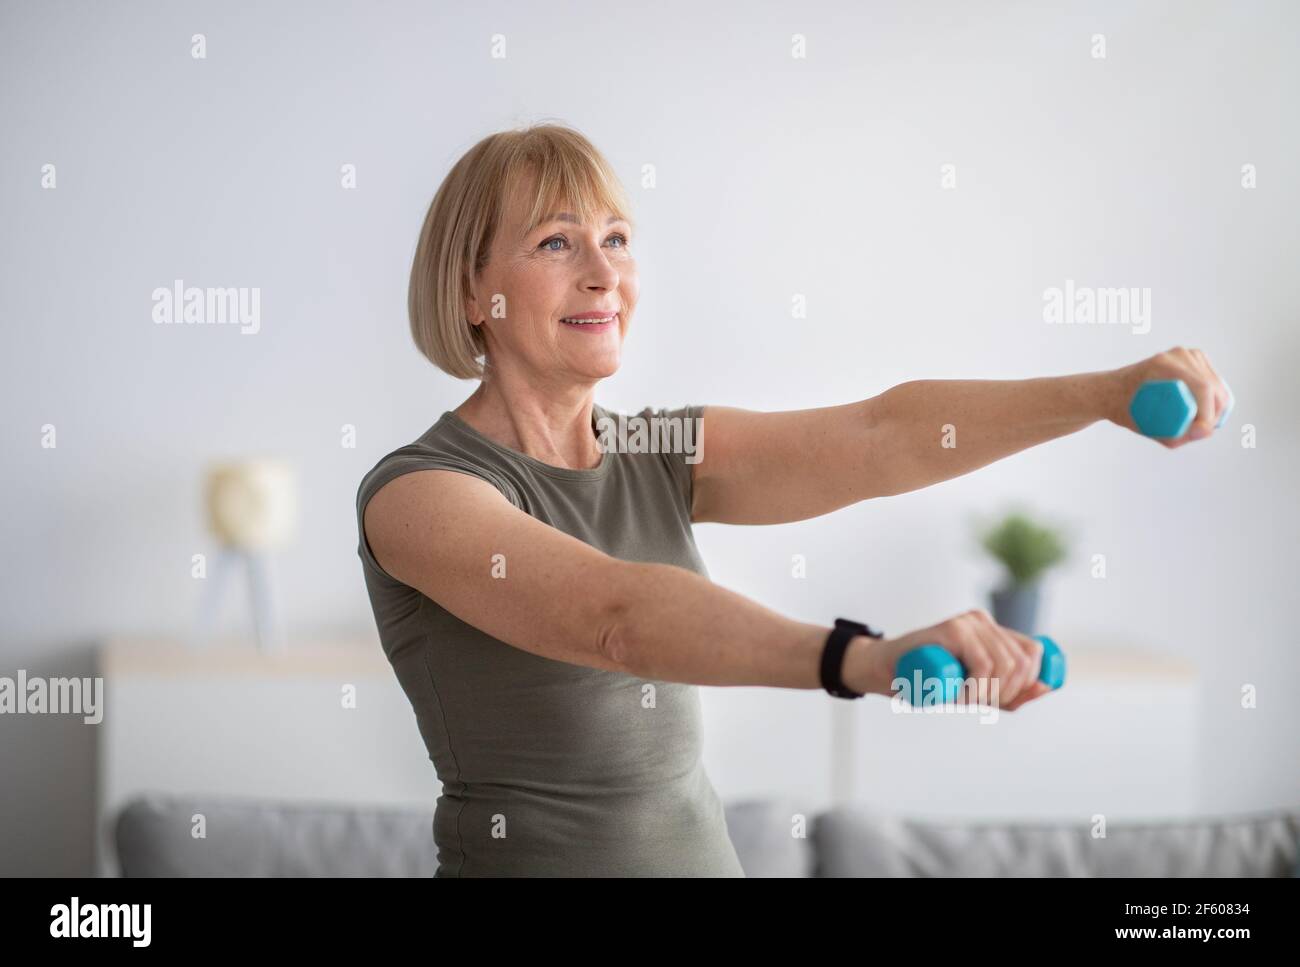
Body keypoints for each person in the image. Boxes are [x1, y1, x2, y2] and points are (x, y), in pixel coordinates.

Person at [355, 123, 1232, 877]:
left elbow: (880, 435)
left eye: (617, 238)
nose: (603, 273)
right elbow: (614, 615)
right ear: (474, 290)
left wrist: (1107, 394)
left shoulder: (651, 449)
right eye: (556, 242)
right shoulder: (420, 493)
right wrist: (867, 660)